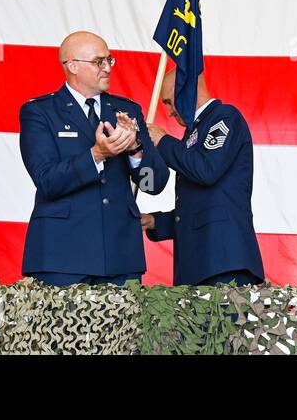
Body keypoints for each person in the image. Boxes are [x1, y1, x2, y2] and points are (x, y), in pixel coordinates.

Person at [19, 31, 170, 285]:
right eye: (99, 61)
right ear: (73, 65)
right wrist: (97, 154)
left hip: (120, 257)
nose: (107, 68)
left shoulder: (128, 111)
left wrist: (135, 149)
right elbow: (47, 181)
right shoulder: (40, 112)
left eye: (109, 60)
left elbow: (152, 185)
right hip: (62, 256)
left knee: (123, 326)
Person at [143, 70, 264, 286]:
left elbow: (206, 170)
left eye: (170, 102)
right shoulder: (192, 133)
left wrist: (162, 140)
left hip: (224, 262)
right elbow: (198, 206)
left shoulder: (224, 116)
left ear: (188, 88)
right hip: (199, 265)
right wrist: (156, 221)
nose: (169, 112)